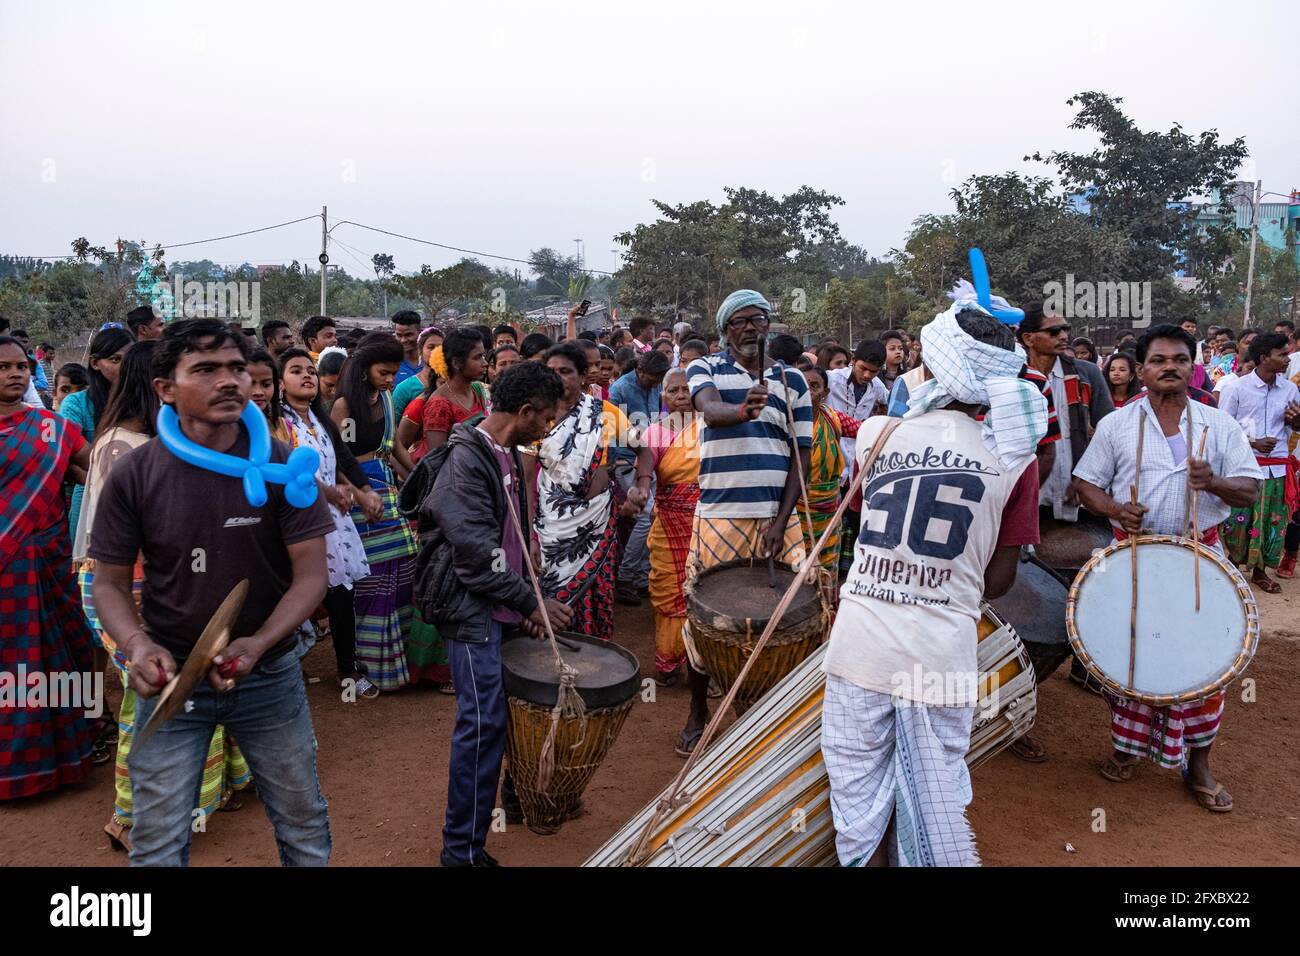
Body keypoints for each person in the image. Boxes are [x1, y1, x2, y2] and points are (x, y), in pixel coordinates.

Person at [89, 320, 334, 865]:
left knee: (302, 821)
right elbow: (105, 583)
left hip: (268, 675)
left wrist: (260, 642)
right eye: (205, 370)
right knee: (157, 841)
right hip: (172, 679)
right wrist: (135, 644)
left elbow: (311, 576)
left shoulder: (280, 466)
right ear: (165, 388)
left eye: (236, 369)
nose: (229, 381)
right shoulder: (135, 474)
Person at [822, 305, 1045, 867]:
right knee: (932, 794)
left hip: (861, 649)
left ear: (930, 364)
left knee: (857, 798)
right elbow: (998, 580)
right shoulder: (1017, 458)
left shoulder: (877, 433)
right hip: (941, 657)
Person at [1073, 324, 1260, 812]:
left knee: (1206, 663)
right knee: (1129, 658)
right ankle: (1126, 747)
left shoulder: (1218, 425)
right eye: (1158, 360)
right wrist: (1115, 510)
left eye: (1179, 359)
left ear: (1191, 365)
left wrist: (1215, 482)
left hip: (1202, 560)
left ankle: (1198, 763)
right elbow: (1084, 486)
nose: (1169, 367)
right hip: (1133, 561)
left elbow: (1250, 489)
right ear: (1142, 370)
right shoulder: (1117, 425)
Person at [74, 340, 253, 848]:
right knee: (151, 696)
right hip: (126, 587)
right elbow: (118, 551)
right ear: (160, 385)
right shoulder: (121, 447)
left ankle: (210, 793)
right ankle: (131, 819)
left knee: (196, 686)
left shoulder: (165, 444)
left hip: (165, 582)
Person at [422, 361, 573, 866]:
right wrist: (531, 602)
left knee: (505, 715)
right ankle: (460, 852)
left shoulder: (502, 451)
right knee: (483, 723)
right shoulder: (468, 460)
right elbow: (475, 559)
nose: (548, 428)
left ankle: (513, 798)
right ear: (526, 411)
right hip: (470, 611)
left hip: (496, 605)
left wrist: (527, 596)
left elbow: (510, 540)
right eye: (547, 418)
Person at [679, 290, 812, 755]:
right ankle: (698, 711)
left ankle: (768, 714)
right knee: (705, 616)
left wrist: (781, 519)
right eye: (740, 321)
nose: (751, 327)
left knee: (789, 617)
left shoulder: (792, 379)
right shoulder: (706, 369)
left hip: (777, 519)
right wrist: (742, 411)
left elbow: (802, 456)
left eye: (759, 319)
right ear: (724, 329)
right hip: (720, 514)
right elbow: (711, 411)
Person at [0, 336, 96, 800]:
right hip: (7, 571)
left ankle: (70, 753)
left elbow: (94, 472)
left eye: (20, 366)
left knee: (64, 655)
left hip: (48, 562)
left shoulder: (50, 428)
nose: (15, 374)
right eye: (3, 368)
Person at [278, 348, 382, 698]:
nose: (306, 375)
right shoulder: (279, 424)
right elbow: (289, 472)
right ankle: (289, 668)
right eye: (296, 371)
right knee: (294, 595)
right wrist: (331, 493)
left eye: (310, 370)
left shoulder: (321, 421)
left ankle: (347, 670)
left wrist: (365, 492)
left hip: (332, 522)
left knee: (341, 596)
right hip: (293, 522)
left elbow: (345, 461)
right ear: (280, 383)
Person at [331, 333, 419, 690]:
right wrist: (358, 493)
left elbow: (395, 444)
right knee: (372, 578)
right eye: (384, 372)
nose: (390, 379)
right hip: (356, 498)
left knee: (403, 568)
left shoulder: (385, 397)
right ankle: (371, 663)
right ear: (365, 369)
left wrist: (417, 475)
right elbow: (336, 458)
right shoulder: (342, 406)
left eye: (394, 373)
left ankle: (397, 663)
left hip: (387, 488)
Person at [529, 343, 632, 641]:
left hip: (597, 523)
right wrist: (531, 535)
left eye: (566, 372)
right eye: (551, 372)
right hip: (549, 526)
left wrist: (641, 481)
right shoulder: (534, 416)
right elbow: (525, 480)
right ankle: (552, 670)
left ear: (583, 375)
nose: (558, 378)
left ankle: (597, 665)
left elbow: (643, 450)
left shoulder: (605, 413)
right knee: (550, 595)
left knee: (596, 591)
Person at [1218, 332, 1300, 594]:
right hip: (1244, 467)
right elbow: (1222, 428)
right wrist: (1252, 443)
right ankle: (1232, 566)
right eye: (1282, 354)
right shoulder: (1236, 388)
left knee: (1271, 521)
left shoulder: (1290, 389)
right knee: (1237, 521)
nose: (1288, 359)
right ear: (1264, 357)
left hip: (1276, 468)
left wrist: (1295, 421)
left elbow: (1296, 427)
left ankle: (1260, 572)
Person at [633, 368, 700, 685]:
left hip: (707, 525)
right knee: (670, 590)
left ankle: (703, 664)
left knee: (705, 588)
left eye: (688, 389)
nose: (682, 396)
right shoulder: (655, 433)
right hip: (670, 523)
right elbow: (645, 468)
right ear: (663, 397)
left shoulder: (712, 428)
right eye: (674, 390)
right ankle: (669, 663)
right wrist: (642, 487)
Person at [1017, 304, 1113, 522]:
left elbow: (1109, 433)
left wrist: (1088, 480)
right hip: (1029, 494)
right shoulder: (1015, 380)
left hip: (1078, 495)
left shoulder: (1086, 374)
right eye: (1054, 331)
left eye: (1065, 329)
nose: (1063, 336)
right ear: (1029, 339)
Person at [58, 325, 134, 542]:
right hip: (88, 496)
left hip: (137, 495)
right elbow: (67, 458)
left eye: (128, 360)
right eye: (115, 360)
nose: (123, 368)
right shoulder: (77, 403)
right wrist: (101, 485)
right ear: (94, 363)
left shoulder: (140, 402)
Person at [608, 350, 669, 605]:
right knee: (645, 518)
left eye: (658, 380)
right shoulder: (619, 389)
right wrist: (618, 462)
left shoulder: (655, 386)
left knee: (652, 517)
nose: (654, 384)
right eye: (651, 378)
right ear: (640, 371)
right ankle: (624, 578)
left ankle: (642, 578)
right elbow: (611, 429)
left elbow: (655, 422)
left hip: (648, 458)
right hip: (625, 460)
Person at [826, 341, 887, 570]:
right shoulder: (832, 380)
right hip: (832, 458)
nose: (867, 375)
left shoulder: (877, 387)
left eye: (874, 371)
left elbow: (890, 403)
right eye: (863, 368)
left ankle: (847, 570)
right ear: (853, 361)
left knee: (853, 516)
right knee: (832, 517)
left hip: (858, 462)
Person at [799, 366, 861, 569]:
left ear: (825, 393)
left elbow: (865, 431)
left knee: (826, 566)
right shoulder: (784, 421)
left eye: (814, 386)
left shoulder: (833, 419)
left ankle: (827, 601)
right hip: (795, 512)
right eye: (803, 385)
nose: (808, 390)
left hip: (829, 511)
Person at [419, 329, 489, 460]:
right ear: (456, 363)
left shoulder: (477, 390)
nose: (484, 363)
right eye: (477, 357)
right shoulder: (439, 405)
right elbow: (437, 459)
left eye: (483, 356)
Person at [393, 326, 444, 423]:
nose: (437, 352)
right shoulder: (405, 388)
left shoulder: (452, 384)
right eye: (431, 347)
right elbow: (394, 424)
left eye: (441, 347)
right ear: (420, 351)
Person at [391, 310, 424, 385]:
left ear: (420, 332)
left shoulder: (431, 360)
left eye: (408, 335)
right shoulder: (391, 362)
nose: (403, 340)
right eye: (399, 335)